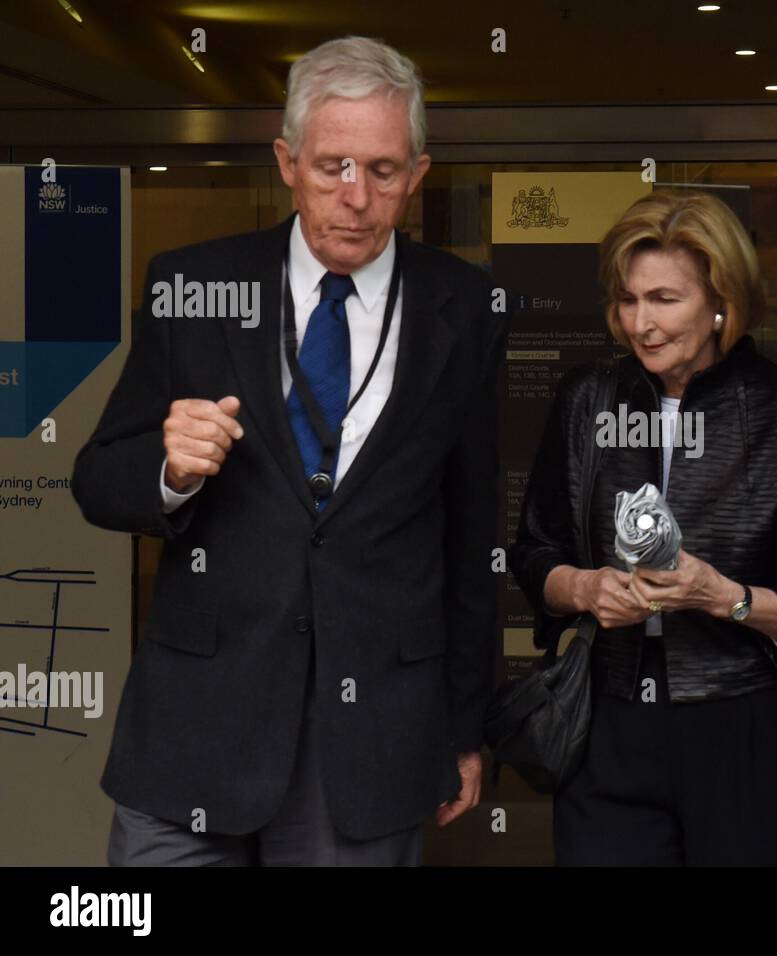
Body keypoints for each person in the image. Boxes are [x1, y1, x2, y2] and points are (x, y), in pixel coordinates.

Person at [71, 36, 506, 865]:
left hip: (373, 736)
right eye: (331, 165)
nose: (356, 196)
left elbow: (469, 531)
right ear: (286, 160)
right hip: (196, 726)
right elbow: (96, 480)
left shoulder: (467, 306)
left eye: (382, 171)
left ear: (418, 173)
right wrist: (166, 469)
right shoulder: (191, 284)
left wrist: (465, 728)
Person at [509, 190, 777, 865]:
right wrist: (585, 588)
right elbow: (535, 552)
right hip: (609, 722)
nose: (641, 323)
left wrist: (725, 597)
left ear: (723, 302)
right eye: (629, 300)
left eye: (664, 299)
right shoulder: (588, 398)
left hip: (743, 724)